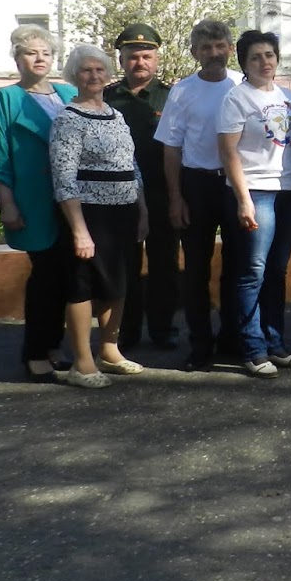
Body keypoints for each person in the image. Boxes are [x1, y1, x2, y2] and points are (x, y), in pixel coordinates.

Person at [49, 45, 149, 389]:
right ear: (74, 76)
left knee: (118, 281)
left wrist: (142, 209)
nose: (94, 76)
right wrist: (79, 230)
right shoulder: (68, 119)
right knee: (83, 286)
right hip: (88, 213)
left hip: (123, 211)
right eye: (86, 70)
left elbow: (131, 165)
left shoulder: (115, 115)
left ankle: (110, 350)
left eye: (100, 70)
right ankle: (82, 362)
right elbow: (63, 176)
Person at [0, 23, 78, 382]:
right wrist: (6, 203)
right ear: (17, 58)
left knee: (69, 276)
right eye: (31, 52)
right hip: (35, 199)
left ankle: (55, 345)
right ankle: (35, 351)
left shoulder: (68, 92)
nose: (39, 59)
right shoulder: (6, 97)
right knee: (45, 275)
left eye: (45, 53)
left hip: (74, 199)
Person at [218, 29, 291, 377]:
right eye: (256, 56)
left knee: (277, 271)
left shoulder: (290, 98)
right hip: (256, 192)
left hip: (290, 192)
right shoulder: (237, 99)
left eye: (269, 55)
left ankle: (276, 343)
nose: (264, 62)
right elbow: (228, 152)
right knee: (252, 272)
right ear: (244, 62)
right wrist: (243, 199)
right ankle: (253, 349)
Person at [154, 20, 240, 372]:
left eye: (220, 46)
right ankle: (200, 345)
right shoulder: (182, 91)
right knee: (196, 271)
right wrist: (176, 198)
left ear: (230, 49)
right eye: (206, 48)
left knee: (237, 268)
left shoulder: (242, 84)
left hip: (235, 186)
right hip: (197, 185)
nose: (214, 53)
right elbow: (171, 149)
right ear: (194, 53)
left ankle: (233, 339)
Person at [104, 22, 178, 351]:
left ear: (157, 58)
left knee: (164, 263)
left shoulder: (172, 96)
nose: (140, 62)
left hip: (162, 191)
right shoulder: (107, 97)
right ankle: (128, 330)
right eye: (133, 57)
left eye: (147, 56)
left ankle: (162, 328)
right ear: (121, 60)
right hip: (120, 194)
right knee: (126, 264)